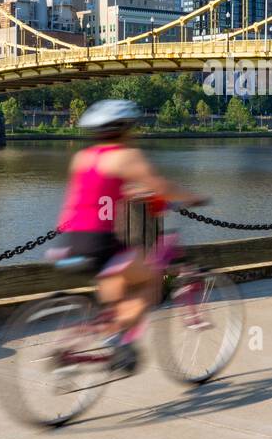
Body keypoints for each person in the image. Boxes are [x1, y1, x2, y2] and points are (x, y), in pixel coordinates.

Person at [56, 99, 206, 373]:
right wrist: (193, 197)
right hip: (100, 241)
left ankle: (109, 324)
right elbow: (162, 186)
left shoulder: (83, 157)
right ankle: (117, 338)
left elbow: (97, 192)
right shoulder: (126, 156)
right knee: (151, 280)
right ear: (126, 128)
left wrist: (130, 193)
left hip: (71, 241)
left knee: (117, 280)